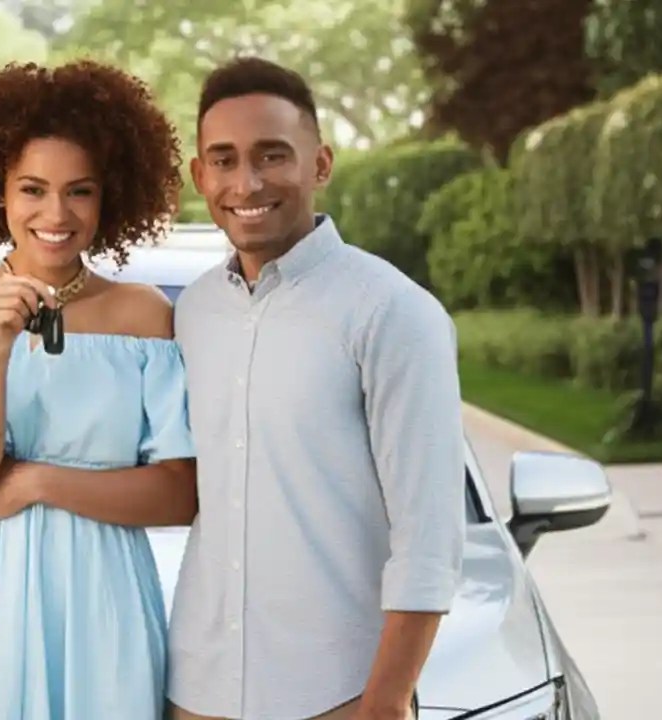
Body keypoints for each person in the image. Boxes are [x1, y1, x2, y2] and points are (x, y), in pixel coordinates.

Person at [0, 59, 198, 720]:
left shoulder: (143, 316)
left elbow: (178, 493)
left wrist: (33, 485)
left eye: (79, 191)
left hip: (108, 599)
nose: (56, 214)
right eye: (32, 189)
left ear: (108, 195)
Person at [165, 58, 467, 720]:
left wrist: (384, 704)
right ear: (199, 177)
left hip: (338, 695)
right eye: (224, 160)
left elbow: (430, 536)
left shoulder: (392, 312)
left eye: (273, 155)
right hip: (199, 692)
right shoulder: (192, 313)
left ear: (320, 164)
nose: (246, 182)